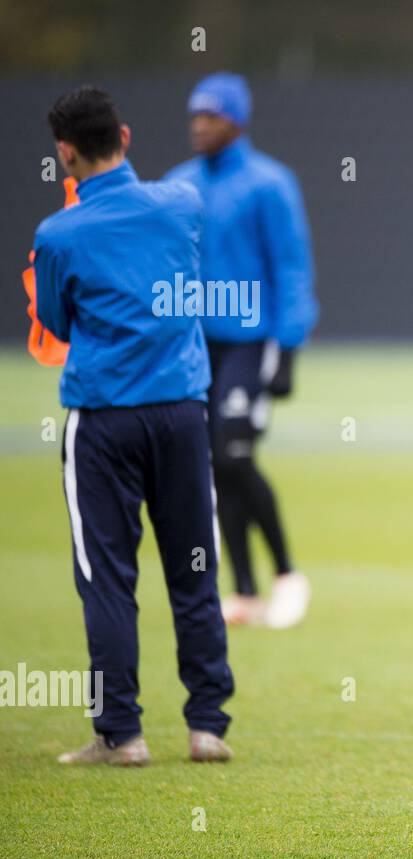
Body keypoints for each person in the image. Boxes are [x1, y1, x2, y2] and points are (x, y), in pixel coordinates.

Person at [34, 86, 235, 766]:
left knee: (107, 578)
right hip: (181, 411)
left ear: (65, 153)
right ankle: (208, 726)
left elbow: (58, 323)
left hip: (104, 418)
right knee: (195, 566)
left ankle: (121, 732)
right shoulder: (182, 203)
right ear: (123, 134)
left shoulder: (58, 233)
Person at [166, 72, 318, 630]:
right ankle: (245, 592)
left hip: (250, 344)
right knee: (212, 466)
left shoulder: (269, 183)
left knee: (235, 455)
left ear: (236, 121)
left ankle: (286, 575)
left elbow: (291, 265)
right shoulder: (179, 185)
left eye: (210, 116)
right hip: (195, 345)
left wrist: (291, 347)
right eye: (194, 116)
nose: (199, 126)